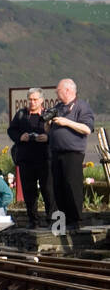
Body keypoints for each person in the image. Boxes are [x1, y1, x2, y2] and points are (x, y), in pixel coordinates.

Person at [47, 78, 94, 232]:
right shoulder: (58, 107)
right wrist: (48, 124)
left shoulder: (82, 106)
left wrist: (66, 122)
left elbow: (87, 129)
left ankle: (76, 221)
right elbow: (50, 131)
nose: (56, 93)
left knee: (72, 186)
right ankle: (62, 222)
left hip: (73, 153)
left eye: (58, 90)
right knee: (58, 187)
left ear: (68, 90)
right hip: (56, 152)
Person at [7, 88, 53, 229]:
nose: (32, 102)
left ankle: (51, 220)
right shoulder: (21, 114)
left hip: (44, 159)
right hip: (26, 159)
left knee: (48, 191)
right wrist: (20, 137)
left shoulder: (48, 114)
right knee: (29, 192)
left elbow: (58, 132)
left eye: (35, 99)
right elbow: (11, 130)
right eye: (30, 99)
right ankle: (33, 221)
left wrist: (48, 137)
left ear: (41, 100)